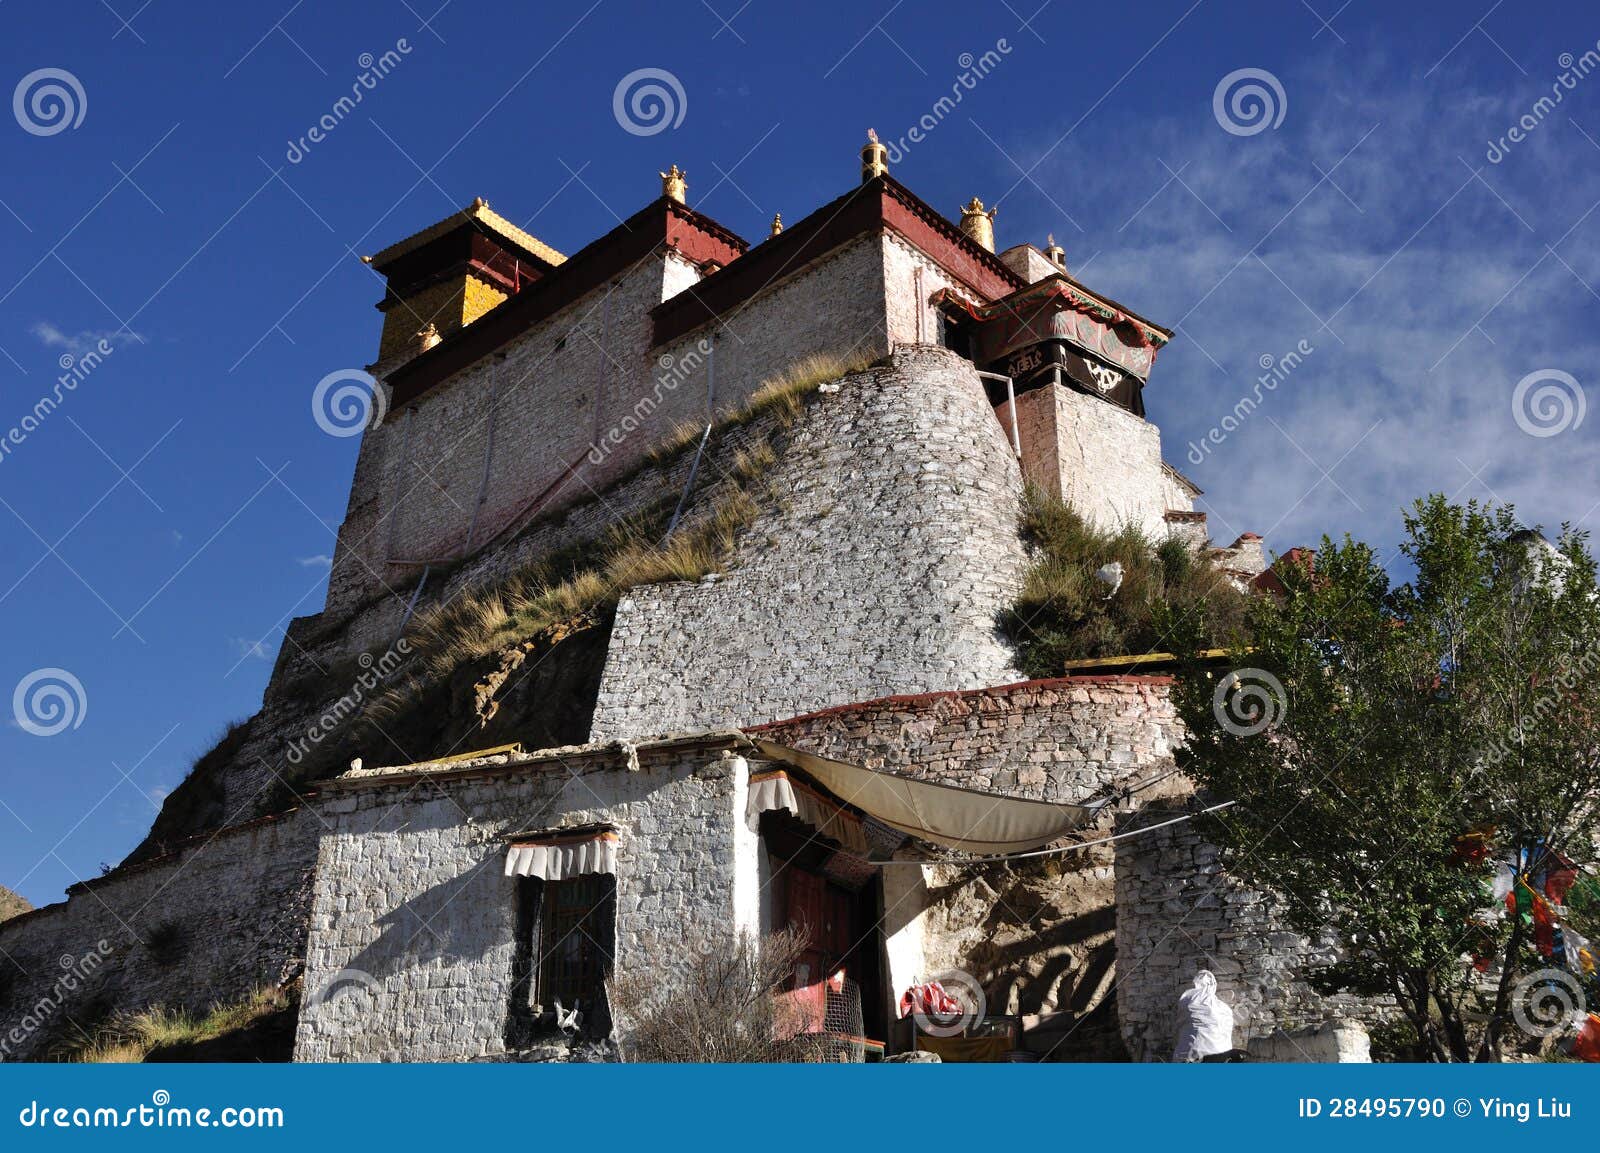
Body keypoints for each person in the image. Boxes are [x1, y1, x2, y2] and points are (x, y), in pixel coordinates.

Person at [1173, 970, 1240, 1061]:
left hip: (1188, 1057)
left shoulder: (1188, 999)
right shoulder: (1224, 1008)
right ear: (1213, 985)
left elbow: (1180, 1021)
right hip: (1219, 1056)